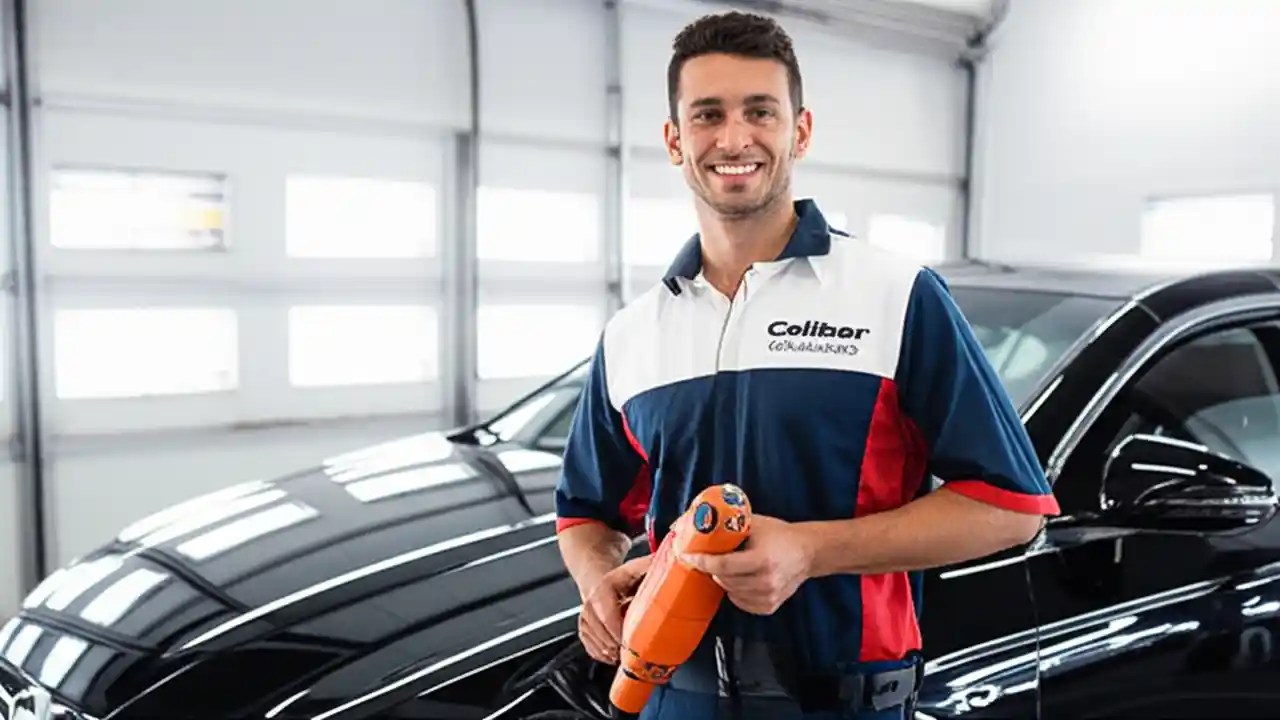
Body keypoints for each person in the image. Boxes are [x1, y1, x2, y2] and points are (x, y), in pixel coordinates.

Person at [553, 10, 1060, 720]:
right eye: (707, 115)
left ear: (801, 129)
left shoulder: (896, 295)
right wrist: (597, 582)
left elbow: (1010, 509)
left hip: (841, 703)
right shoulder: (633, 333)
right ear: (674, 140)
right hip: (671, 698)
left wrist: (811, 552)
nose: (734, 139)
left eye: (760, 111)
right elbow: (585, 510)